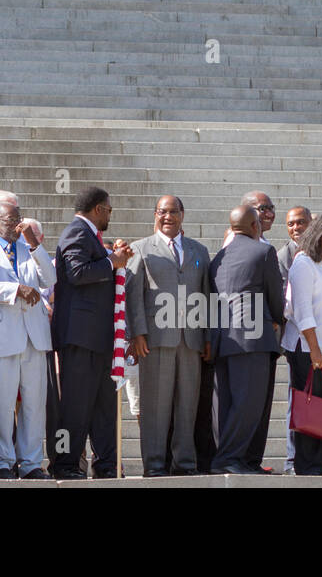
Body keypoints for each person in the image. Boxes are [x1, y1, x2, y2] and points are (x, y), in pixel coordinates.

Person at [0, 200, 55, 480]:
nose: (17, 224)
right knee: (1, 405)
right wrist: (15, 289)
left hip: (34, 337)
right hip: (0, 338)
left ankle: (30, 463)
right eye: (10, 220)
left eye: (19, 218)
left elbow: (49, 278)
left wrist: (35, 246)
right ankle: (2, 461)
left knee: (33, 404)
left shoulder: (29, 248)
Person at [51, 187, 131, 479]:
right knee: (75, 406)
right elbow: (77, 272)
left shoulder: (91, 237)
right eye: (109, 210)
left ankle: (106, 465)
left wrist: (113, 256)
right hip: (79, 338)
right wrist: (111, 261)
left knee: (103, 407)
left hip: (99, 339)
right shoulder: (77, 232)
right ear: (98, 209)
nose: (110, 215)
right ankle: (65, 464)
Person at [127, 195, 211, 477]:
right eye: (163, 212)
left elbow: (207, 297)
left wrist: (208, 336)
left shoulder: (198, 250)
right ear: (155, 214)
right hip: (155, 339)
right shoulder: (140, 249)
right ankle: (154, 464)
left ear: (182, 215)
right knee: (155, 407)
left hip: (191, 339)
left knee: (187, 406)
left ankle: (184, 463)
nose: (168, 217)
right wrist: (137, 332)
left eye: (173, 212)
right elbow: (134, 295)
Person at [208, 206, 285, 475]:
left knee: (227, 402)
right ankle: (229, 459)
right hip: (253, 338)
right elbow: (275, 295)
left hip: (223, 338)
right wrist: (278, 320)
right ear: (255, 226)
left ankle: (232, 458)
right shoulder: (264, 252)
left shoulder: (217, 258)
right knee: (249, 403)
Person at [281, 214, 322, 476]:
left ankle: (321, 462)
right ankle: (306, 465)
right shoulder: (303, 263)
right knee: (309, 407)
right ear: (317, 236)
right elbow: (302, 310)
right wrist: (315, 348)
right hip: (307, 347)